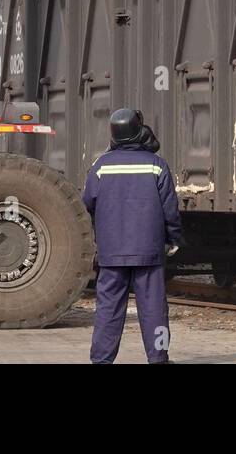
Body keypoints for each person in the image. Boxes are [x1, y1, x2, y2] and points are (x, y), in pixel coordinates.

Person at [82, 108, 183, 364]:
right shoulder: (156, 166)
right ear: (140, 131)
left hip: (111, 252)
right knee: (154, 309)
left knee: (108, 309)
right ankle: (158, 358)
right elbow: (170, 209)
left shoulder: (100, 166)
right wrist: (173, 238)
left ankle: (101, 360)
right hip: (149, 251)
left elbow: (87, 202)